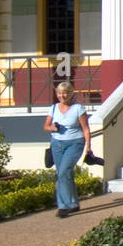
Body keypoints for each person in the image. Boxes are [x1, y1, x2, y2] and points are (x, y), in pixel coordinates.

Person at [43, 80, 91, 218]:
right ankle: (73, 203)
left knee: (63, 172)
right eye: (59, 93)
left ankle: (63, 206)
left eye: (65, 93)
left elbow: (86, 129)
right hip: (57, 143)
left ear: (70, 94)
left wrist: (88, 146)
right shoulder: (53, 108)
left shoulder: (78, 109)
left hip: (75, 143)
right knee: (64, 174)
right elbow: (45, 126)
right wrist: (51, 127)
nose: (62, 96)